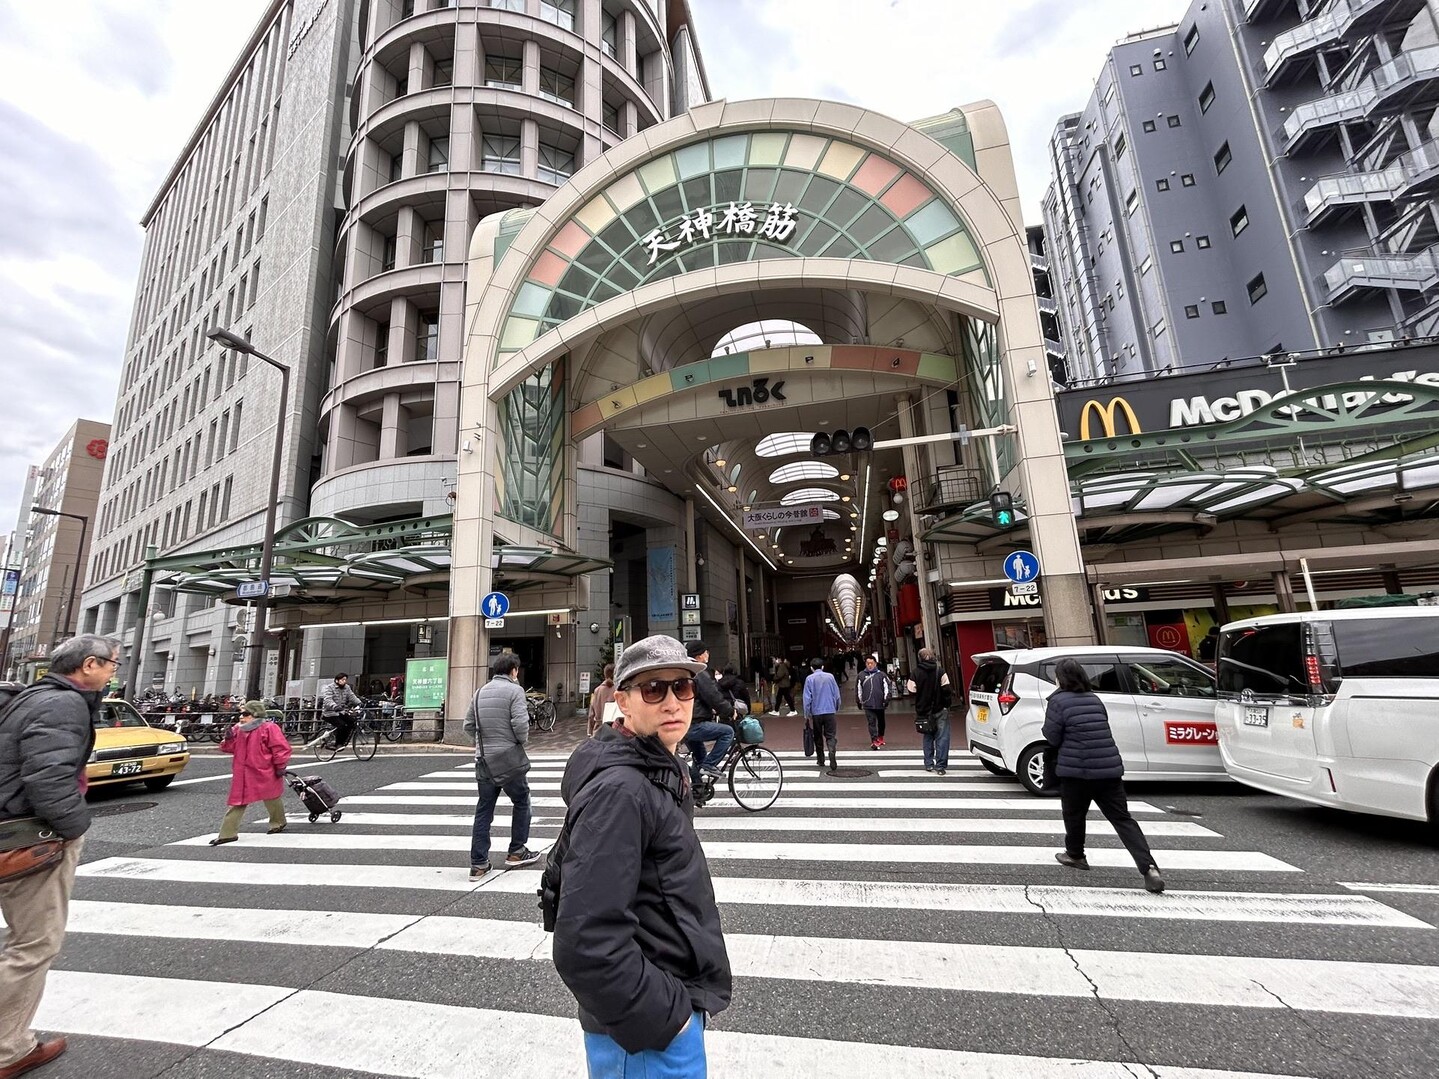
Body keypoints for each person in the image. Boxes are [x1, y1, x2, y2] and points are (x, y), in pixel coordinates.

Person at [553, 635, 732, 1076]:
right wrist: (669, 1020)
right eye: (653, 689)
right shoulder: (621, 791)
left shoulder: (657, 770)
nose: (672, 701)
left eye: (682, 688)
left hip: (659, 1012)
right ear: (623, 702)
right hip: (645, 1038)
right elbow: (585, 942)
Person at [0, 634, 122, 1078]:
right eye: (111, 664)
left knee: (24, 940)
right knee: (34, 943)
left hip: (10, 825)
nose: (114, 672)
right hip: (27, 834)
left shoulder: (33, 696)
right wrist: (74, 828)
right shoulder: (63, 705)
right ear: (88, 665)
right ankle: (8, 1050)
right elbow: (48, 776)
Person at [1043, 658, 1165, 894]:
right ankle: (1149, 867)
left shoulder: (1057, 702)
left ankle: (1075, 855)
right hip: (1108, 770)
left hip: (1076, 770)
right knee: (1122, 819)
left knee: (1074, 814)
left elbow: (1052, 737)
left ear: (1061, 678)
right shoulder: (1094, 698)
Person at [463, 653, 541, 881]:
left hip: (484, 759)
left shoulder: (479, 693)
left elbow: (468, 725)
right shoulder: (515, 691)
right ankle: (516, 851)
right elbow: (520, 724)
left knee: (484, 810)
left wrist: (482, 743)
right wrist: (518, 740)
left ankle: (478, 864)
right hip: (507, 759)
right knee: (522, 800)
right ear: (514, 670)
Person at [209, 701, 293, 846]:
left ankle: (278, 822)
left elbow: (280, 748)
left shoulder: (269, 728)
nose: (241, 717)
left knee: (271, 797)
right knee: (239, 801)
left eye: (246, 714)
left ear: (256, 715)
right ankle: (227, 833)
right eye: (241, 714)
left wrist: (280, 766)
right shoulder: (238, 729)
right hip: (244, 771)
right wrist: (227, 739)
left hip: (264, 769)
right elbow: (229, 748)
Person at [681, 641, 734, 786]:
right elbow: (713, 696)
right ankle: (710, 765)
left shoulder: (686, 670)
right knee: (728, 732)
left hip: (685, 722)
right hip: (694, 724)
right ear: (699, 655)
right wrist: (730, 711)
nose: (708, 655)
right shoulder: (699, 672)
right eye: (706, 652)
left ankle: (697, 790)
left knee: (700, 757)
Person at [908, 647, 953, 774]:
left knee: (927, 735)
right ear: (933, 657)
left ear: (920, 658)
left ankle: (928, 764)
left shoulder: (915, 672)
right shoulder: (940, 671)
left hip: (924, 711)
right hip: (940, 709)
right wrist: (946, 704)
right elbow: (947, 689)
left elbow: (911, 690)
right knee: (942, 737)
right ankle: (941, 766)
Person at [802, 656, 841, 773]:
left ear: (811, 668)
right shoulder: (830, 677)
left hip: (816, 712)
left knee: (818, 736)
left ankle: (821, 759)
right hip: (830, 711)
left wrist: (806, 714)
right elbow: (837, 695)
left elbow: (807, 698)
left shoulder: (809, 679)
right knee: (830, 735)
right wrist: (836, 707)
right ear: (823, 667)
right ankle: (831, 749)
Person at [318, 672, 362, 749]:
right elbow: (328, 700)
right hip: (329, 713)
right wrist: (334, 706)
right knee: (341, 725)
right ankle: (337, 744)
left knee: (351, 722)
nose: (344, 681)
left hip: (341, 711)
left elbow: (352, 696)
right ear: (337, 680)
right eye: (342, 680)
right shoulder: (330, 688)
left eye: (345, 680)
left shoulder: (347, 687)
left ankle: (343, 741)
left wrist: (359, 703)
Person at [856, 655, 890, 750]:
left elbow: (887, 687)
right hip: (868, 703)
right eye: (868, 663)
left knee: (881, 721)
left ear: (875, 663)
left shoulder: (881, 675)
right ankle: (874, 740)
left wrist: (886, 699)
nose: (870, 665)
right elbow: (858, 689)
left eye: (871, 663)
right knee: (871, 722)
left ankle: (880, 736)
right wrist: (859, 701)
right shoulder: (861, 675)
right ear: (865, 664)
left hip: (880, 703)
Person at [586, 664, 616, 737]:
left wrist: (589, 731)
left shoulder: (596, 690)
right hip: (614, 730)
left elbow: (591, 714)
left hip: (598, 729)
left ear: (604, 675)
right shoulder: (618, 690)